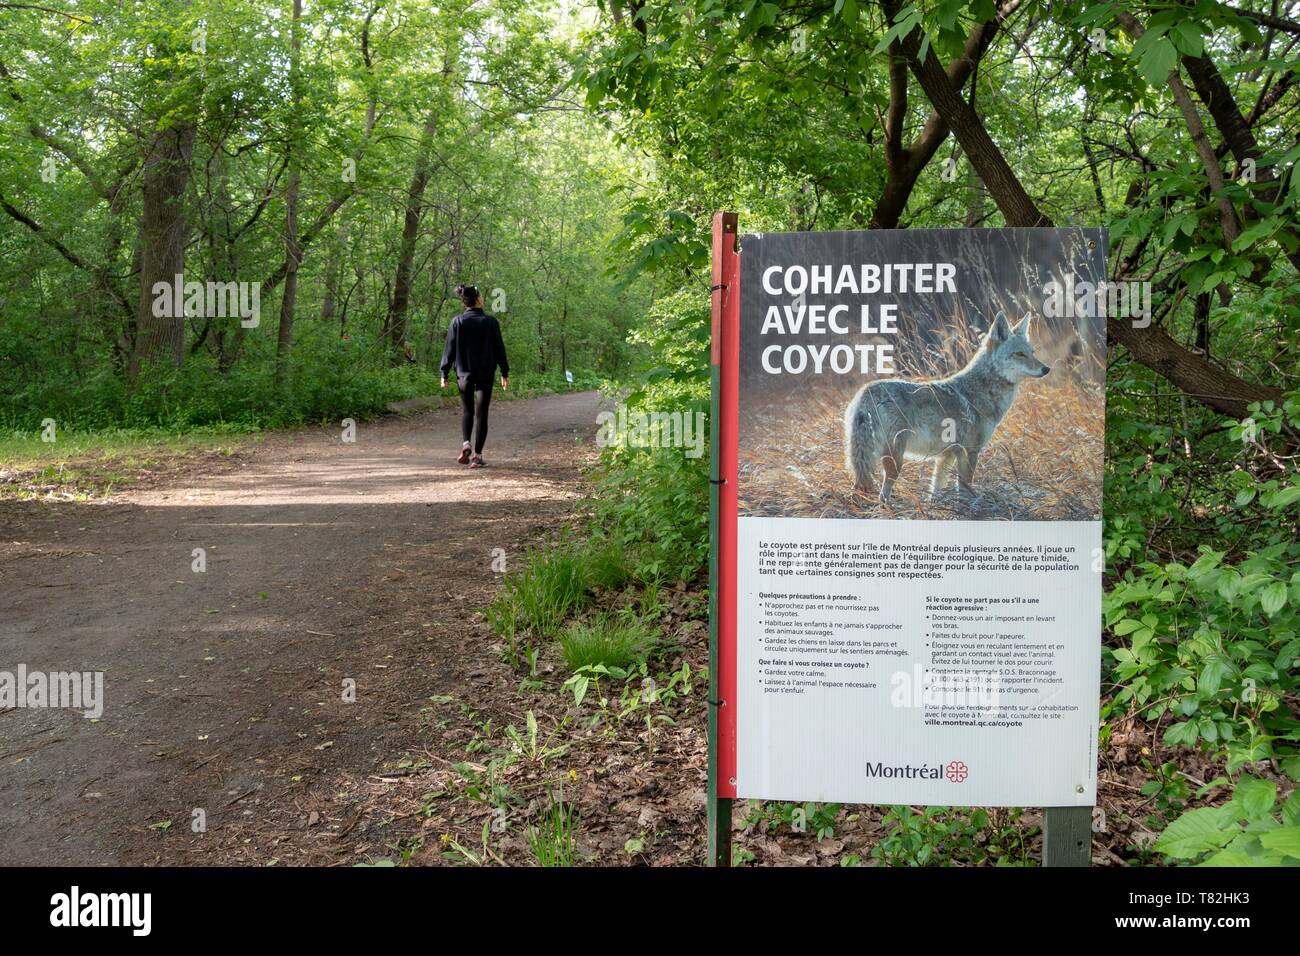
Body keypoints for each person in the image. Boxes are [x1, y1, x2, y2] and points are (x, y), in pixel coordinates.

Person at [440, 284, 509, 468]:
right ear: (478, 299)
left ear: (464, 302)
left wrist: (444, 372)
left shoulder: (457, 322)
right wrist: (504, 371)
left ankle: (466, 443)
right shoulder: (491, 322)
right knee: (482, 414)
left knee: (467, 411)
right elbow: (499, 349)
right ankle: (477, 456)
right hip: (485, 374)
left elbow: (449, 349)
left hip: (464, 375)